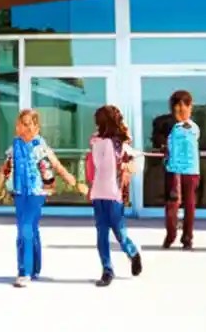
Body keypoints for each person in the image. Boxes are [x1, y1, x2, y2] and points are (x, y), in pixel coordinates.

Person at [0, 108, 85, 288]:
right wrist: (4, 181)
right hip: (19, 193)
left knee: (25, 230)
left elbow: (55, 164)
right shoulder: (14, 145)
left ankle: (24, 271)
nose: (24, 128)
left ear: (36, 126)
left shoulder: (40, 145)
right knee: (31, 229)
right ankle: (35, 267)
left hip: (36, 193)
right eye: (21, 124)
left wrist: (71, 180)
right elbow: (7, 167)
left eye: (28, 124)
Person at [85, 105, 143, 287]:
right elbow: (94, 166)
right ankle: (107, 270)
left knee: (119, 232)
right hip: (98, 192)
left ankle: (133, 253)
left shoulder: (119, 144)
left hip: (113, 193)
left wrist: (127, 165)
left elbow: (132, 159)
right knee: (102, 233)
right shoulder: (97, 141)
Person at [157, 90, 200, 250]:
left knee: (189, 205)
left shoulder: (192, 127)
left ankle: (187, 238)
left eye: (185, 107)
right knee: (172, 204)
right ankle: (171, 234)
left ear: (190, 108)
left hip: (190, 171)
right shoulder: (169, 126)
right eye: (177, 108)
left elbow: (187, 133)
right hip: (173, 170)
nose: (181, 111)